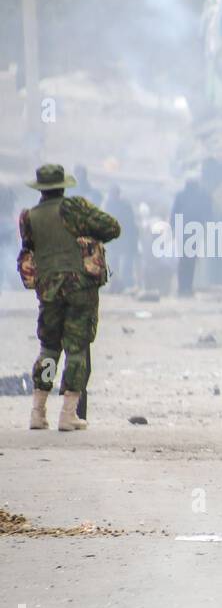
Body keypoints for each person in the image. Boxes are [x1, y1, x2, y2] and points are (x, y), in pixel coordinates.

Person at [18, 164, 120, 431]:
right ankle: (68, 413)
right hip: (78, 288)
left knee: (49, 350)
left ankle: (38, 411)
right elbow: (112, 228)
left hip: (48, 290)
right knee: (76, 349)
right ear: (63, 186)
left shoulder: (29, 217)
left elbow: (29, 249)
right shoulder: (74, 208)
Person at [171, 172, 211, 297]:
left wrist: (173, 228)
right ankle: (186, 287)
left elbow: (174, 213)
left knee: (184, 259)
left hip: (184, 230)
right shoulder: (202, 195)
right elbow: (207, 212)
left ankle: (183, 287)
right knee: (190, 259)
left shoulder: (181, 195)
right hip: (194, 229)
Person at [103, 185, 139, 292]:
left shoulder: (124, 205)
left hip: (123, 238)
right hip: (115, 239)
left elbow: (130, 224)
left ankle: (124, 285)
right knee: (113, 263)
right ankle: (115, 285)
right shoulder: (110, 205)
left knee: (123, 264)